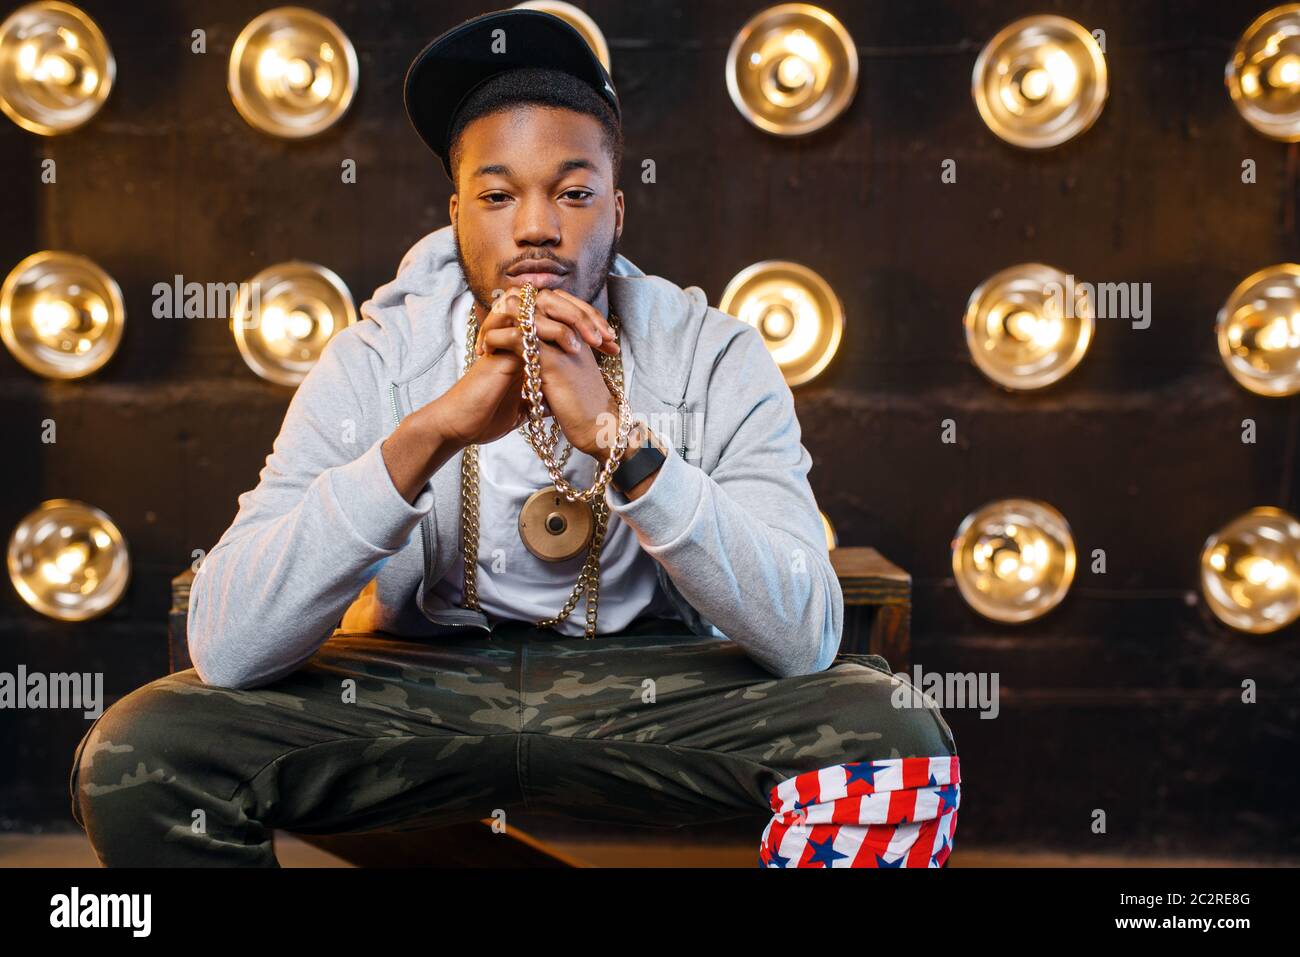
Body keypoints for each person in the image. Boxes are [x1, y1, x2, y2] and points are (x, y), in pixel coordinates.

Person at [69, 8, 959, 867]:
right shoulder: (375, 358)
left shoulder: (715, 353)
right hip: (413, 690)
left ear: (618, 211)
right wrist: (431, 432)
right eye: (498, 194)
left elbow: (806, 634)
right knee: (141, 753)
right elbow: (226, 643)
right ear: (456, 213)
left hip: (654, 688)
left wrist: (625, 446)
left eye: (574, 192)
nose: (536, 224)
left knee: (893, 738)